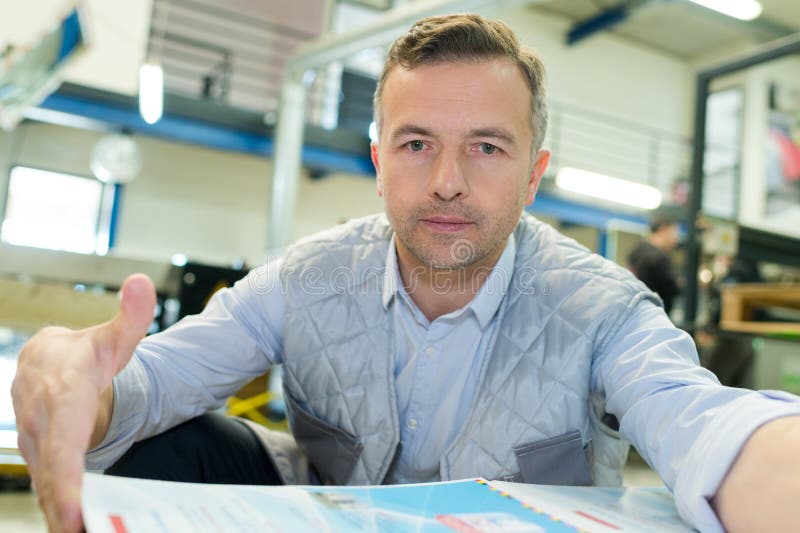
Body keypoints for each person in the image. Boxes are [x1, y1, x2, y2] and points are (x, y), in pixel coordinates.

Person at [11, 13, 800, 533]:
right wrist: (83, 378)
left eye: (487, 147)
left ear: (534, 175)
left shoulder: (601, 309)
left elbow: (700, 420)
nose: (449, 180)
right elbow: (153, 383)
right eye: (418, 143)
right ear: (380, 160)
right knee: (155, 441)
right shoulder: (306, 278)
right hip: (323, 512)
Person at [627, 211, 681, 315]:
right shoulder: (660, 258)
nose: (676, 238)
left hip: (636, 314)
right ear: (663, 229)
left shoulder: (637, 250)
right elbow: (673, 289)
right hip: (656, 316)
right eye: (674, 233)